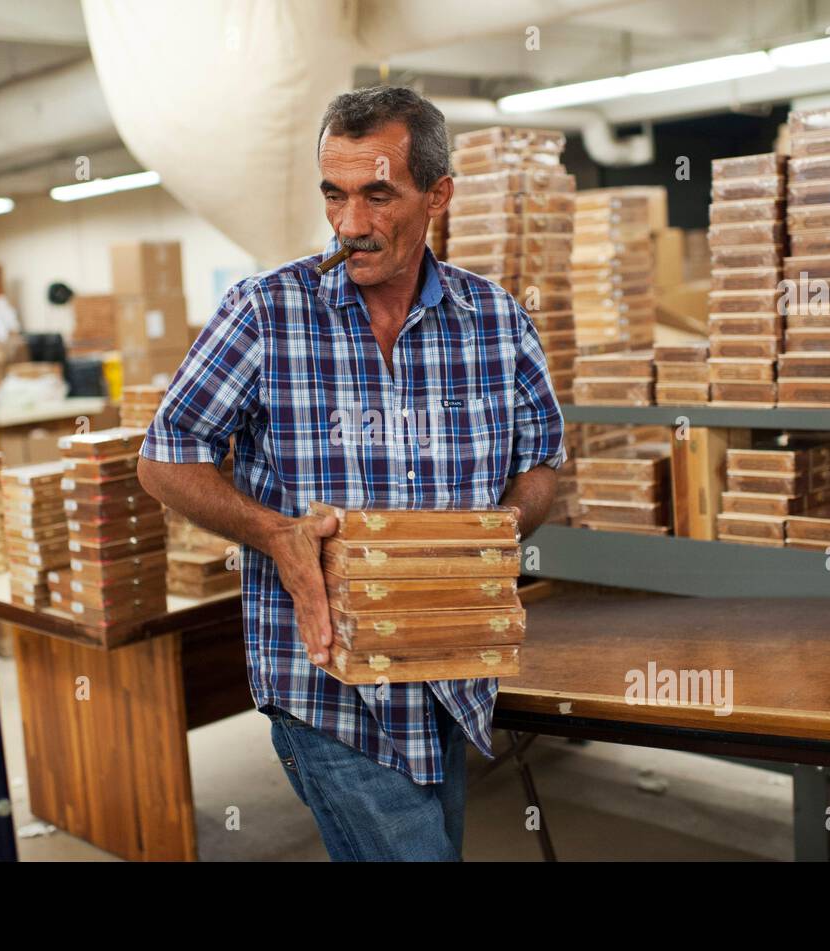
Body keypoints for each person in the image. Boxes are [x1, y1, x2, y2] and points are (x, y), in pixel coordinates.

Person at [137, 85, 566, 861]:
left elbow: (540, 462)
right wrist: (276, 534)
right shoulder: (265, 313)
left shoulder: (497, 320)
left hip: (449, 672)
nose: (350, 224)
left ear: (438, 195)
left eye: (378, 195)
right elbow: (165, 456)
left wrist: (498, 531)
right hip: (326, 685)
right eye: (334, 195)